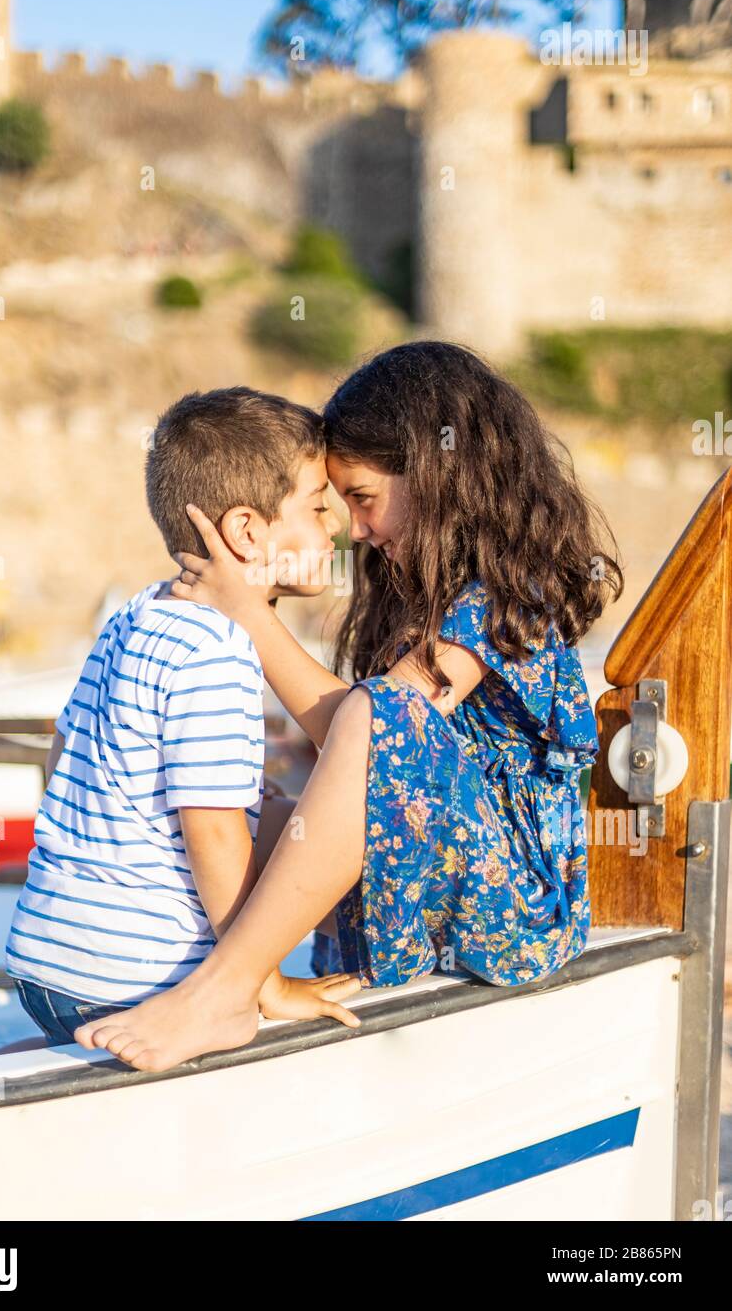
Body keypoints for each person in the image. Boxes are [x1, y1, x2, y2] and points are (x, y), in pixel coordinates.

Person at [72, 340, 623, 1073]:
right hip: (431, 873)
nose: (356, 529)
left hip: (515, 914)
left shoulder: (503, 601)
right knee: (230, 805)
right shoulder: (414, 594)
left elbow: (368, 729)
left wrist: (248, 613)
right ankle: (89, 979)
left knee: (376, 714)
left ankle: (226, 989)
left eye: (362, 499)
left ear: (437, 477)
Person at [2, 386, 362, 1048]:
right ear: (248, 532)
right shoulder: (215, 648)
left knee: (290, 813)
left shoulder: (139, 614)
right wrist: (264, 982)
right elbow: (215, 835)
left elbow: (63, 756)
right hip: (134, 975)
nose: (335, 524)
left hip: (44, 964)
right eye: (316, 506)